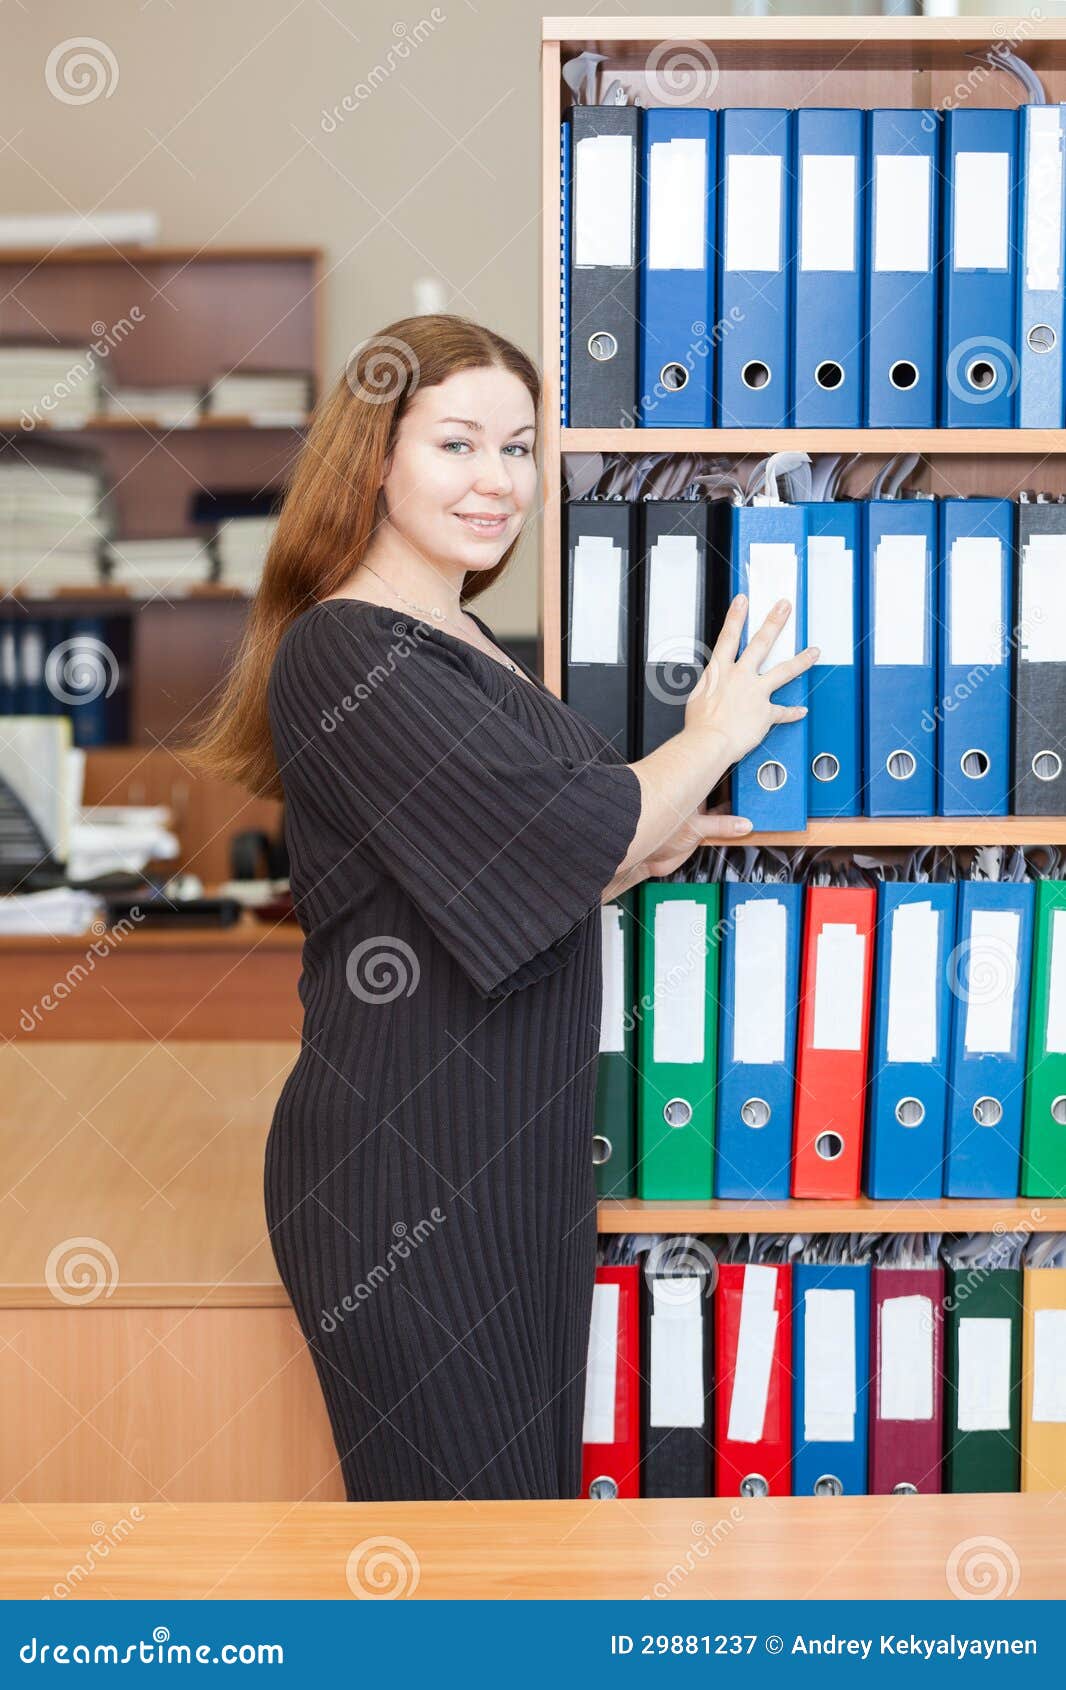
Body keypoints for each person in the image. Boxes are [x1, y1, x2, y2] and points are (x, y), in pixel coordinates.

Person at [188, 314, 818, 1501]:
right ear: (374, 457)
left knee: (514, 1525)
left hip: (508, 1158)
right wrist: (708, 739)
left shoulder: (460, 634)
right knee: (462, 1549)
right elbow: (566, 831)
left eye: (520, 449)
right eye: (458, 445)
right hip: (405, 1174)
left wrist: (644, 840)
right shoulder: (347, 648)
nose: (498, 482)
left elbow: (517, 868)